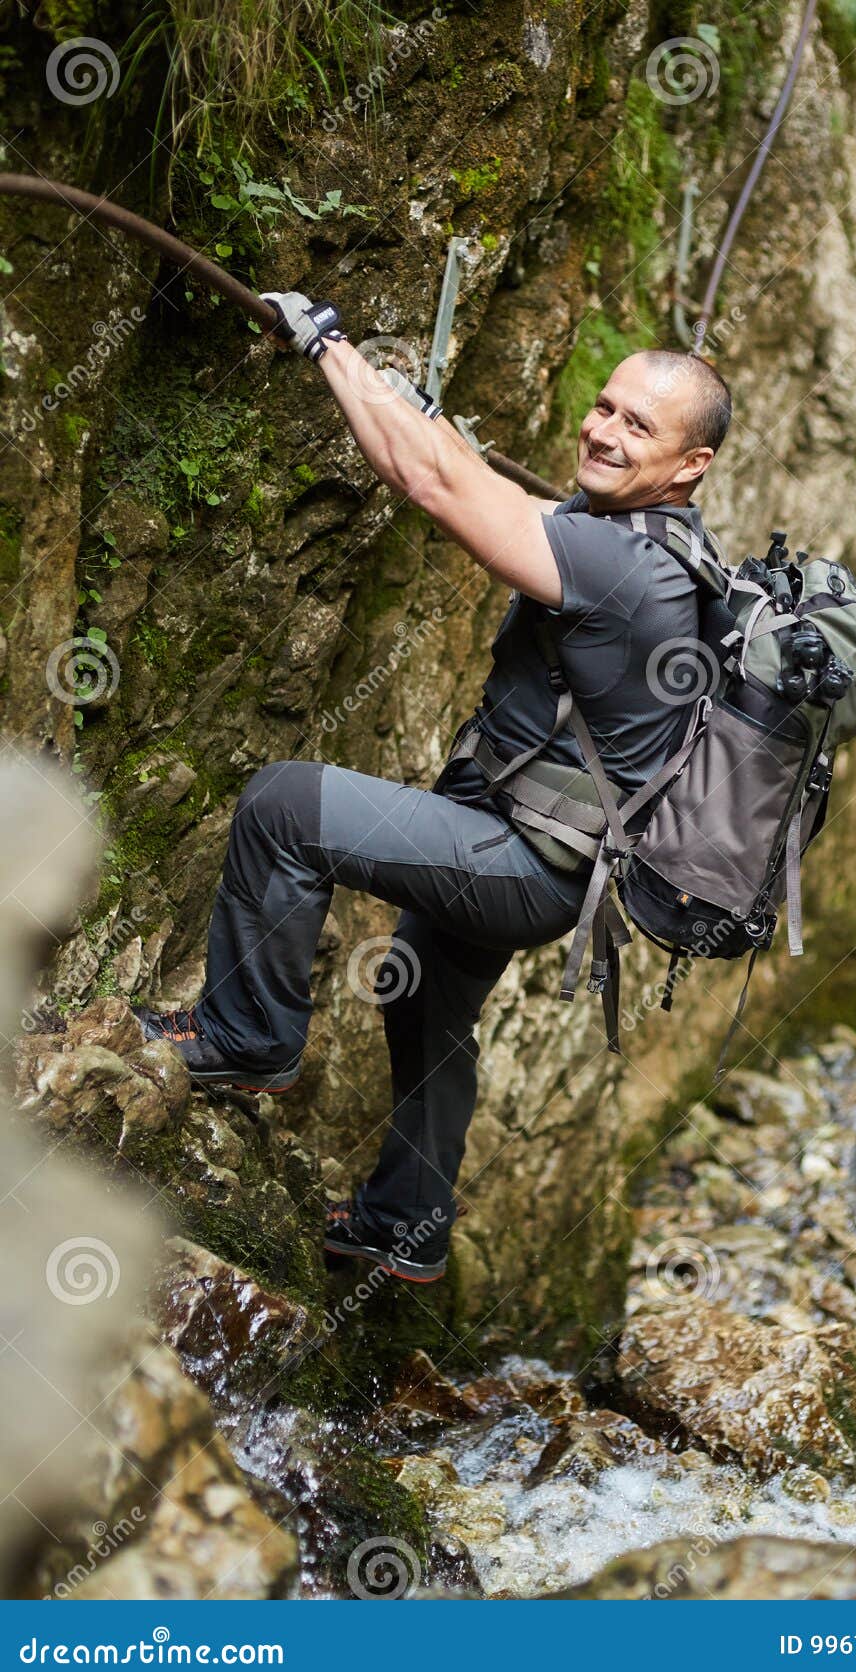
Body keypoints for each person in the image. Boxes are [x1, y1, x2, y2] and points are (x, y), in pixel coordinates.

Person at [135, 292, 731, 1283]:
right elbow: (454, 467)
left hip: (524, 864)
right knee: (424, 1000)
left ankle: (248, 1038)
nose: (602, 430)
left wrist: (327, 346)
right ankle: (403, 1225)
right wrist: (390, 394)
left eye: (637, 424)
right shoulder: (643, 542)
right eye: (603, 406)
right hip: (525, 841)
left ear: (689, 465)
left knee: (285, 804)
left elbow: (426, 478)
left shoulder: (615, 563)